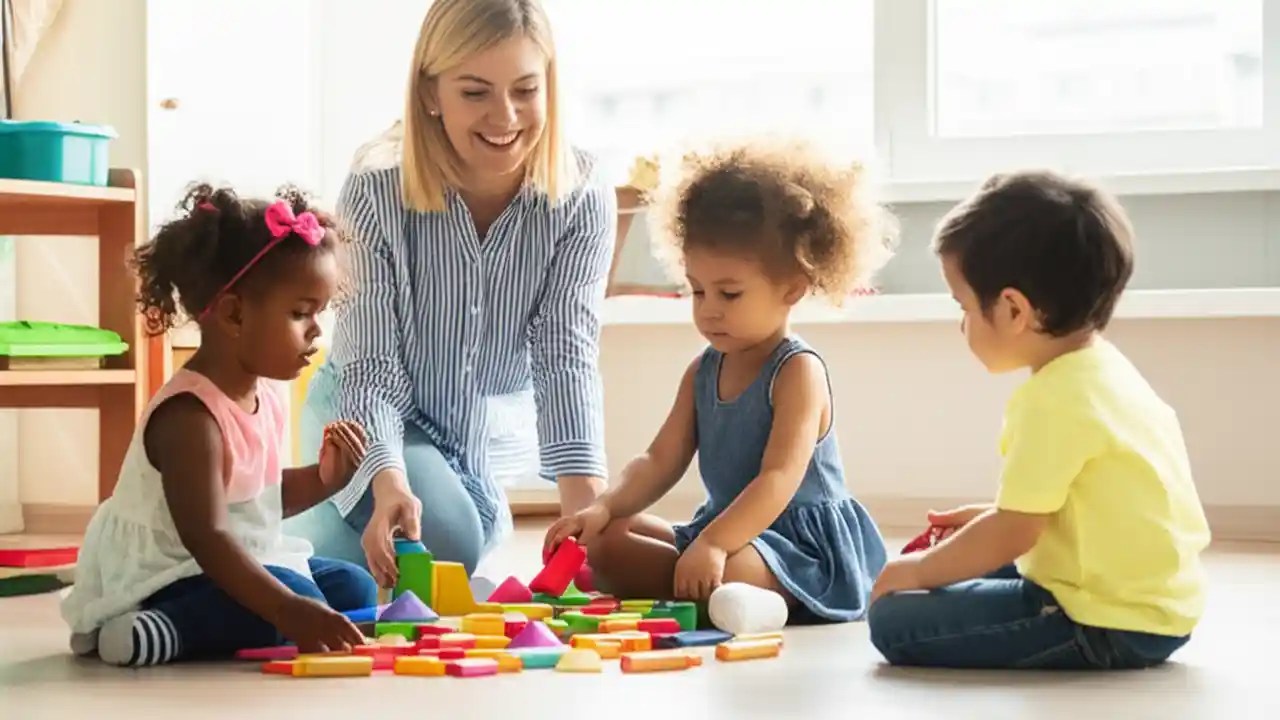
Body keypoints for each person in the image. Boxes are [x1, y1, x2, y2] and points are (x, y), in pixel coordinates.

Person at [283, 0, 615, 588]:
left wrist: (587, 509)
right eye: (475, 92)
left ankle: (414, 513)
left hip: (466, 435)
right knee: (446, 539)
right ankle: (308, 513)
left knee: (457, 536)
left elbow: (567, 356)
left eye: (525, 89)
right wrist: (387, 477)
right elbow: (371, 366)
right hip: (361, 419)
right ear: (431, 93)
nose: (505, 115)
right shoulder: (376, 187)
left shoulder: (582, 194)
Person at [867, 170, 1212, 669]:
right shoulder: (1103, 369)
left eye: (963, 306)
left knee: (893, 621)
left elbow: (1016, 534)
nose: (961, 323)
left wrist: (919, 571)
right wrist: (996, 515)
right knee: (969, 560)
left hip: (1105, 621)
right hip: (1157, 606)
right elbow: (1083, 502)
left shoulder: (1053, 400)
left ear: (1012, 310)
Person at [544, 141, 894, 622]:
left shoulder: (797, 372)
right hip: (722, 531)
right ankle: (699, 586)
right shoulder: (703, 370)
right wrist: (602, 508)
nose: (708, 308)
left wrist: (712, 543)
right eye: (698, 289)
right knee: (607, 544)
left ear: (792, 287)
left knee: (732, 569)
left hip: (795, 544)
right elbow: (658, 460)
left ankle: (721, 587)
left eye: (729, 293)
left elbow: (778, 481)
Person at [60, 184, 377, 667]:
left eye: (320, 313)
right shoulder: (189, 417)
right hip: (166, 574)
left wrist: (322, 480)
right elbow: (207, 535)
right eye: (299, 313)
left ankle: (266, 614)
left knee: (353, 584)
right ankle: (161, 629)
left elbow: (256, 502)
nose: (316, 330)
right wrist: (289, 607)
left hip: (233, 557)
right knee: (288, 598)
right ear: (233, 313)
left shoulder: (266, 392)